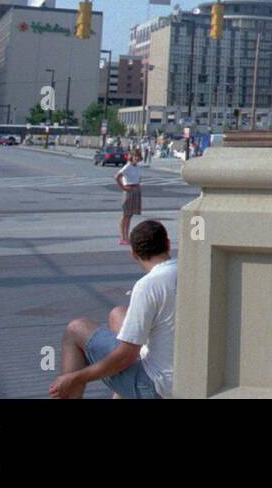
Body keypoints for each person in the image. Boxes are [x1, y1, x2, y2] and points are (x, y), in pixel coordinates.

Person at [50, 220, 176, 399]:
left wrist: (74, 378)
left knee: (76, 329)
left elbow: (126, 358)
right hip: (186, 378)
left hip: (156, 389)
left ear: (133, 254)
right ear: (168, 244)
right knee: (118, 315)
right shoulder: (189, 272)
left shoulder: (148, 285)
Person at [115, 153, 142, 245]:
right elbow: (117, 177)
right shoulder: (127, 167)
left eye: (138, 157)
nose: (137, 158)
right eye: (135, 157)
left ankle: (127, 236)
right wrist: (123, 187)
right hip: (129, 189)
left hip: (136, 189)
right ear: (131, 157)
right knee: (125, 214)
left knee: (130, 215)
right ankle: (123, 237)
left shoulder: (138, 167)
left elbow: (138, 178)